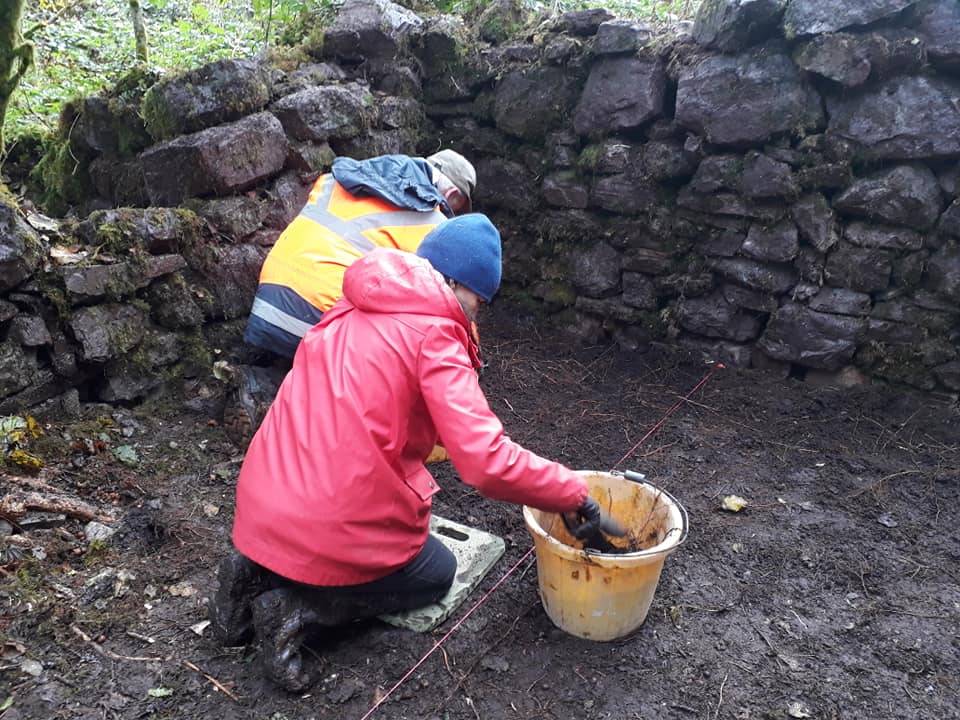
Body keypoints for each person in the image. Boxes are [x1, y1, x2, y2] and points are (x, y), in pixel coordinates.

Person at [209, 214, 613, 692]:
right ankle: (300, 613)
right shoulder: (436, 334)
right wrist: (570, 493)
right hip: (326, 522)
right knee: (434, 572)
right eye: (479, 302)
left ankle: (248, 570)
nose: (475, 315)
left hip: (259, 504)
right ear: (461, 286)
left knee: (336, 518)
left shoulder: (353, 303)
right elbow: (484, 461)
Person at [222, 149, 478, 448]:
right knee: (401, 352)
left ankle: (265, 384)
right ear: (453, 195)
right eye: (458, 206)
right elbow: (443, 306)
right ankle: (297, 412)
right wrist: (468, 362)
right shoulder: (432, 224)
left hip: (270, 302)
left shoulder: (339, 180)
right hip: (323, 324)